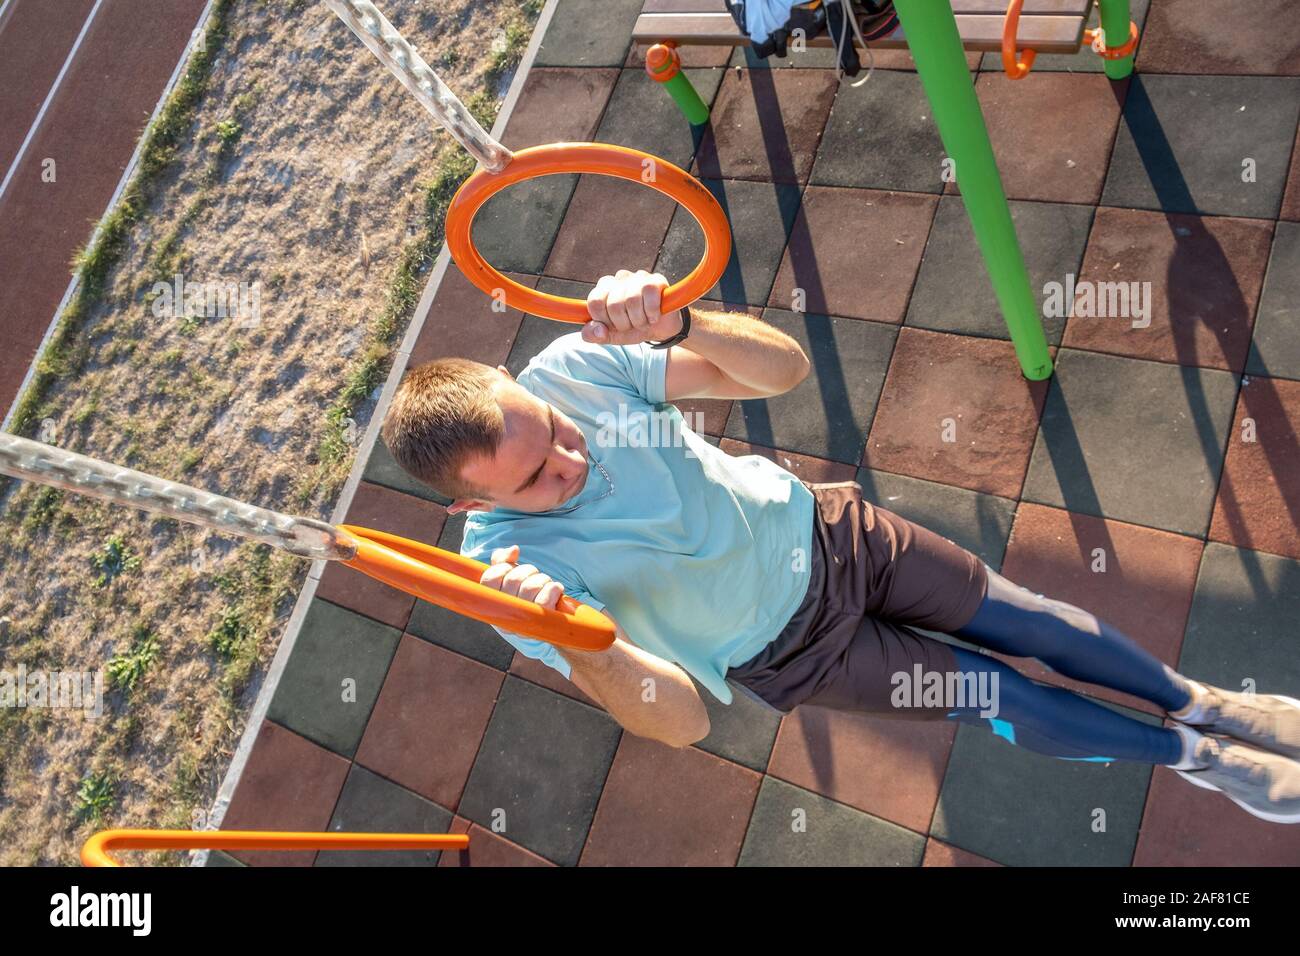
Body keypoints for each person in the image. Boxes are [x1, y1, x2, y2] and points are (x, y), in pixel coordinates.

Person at [381, 269, 1300, 824]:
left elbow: (783, 369)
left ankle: (1203, 703)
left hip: (832, 534)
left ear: (515, 379)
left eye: (555, 434)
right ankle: (1199, 760)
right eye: (537, 479)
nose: (569, 461)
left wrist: (682, 322)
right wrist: (586, 641)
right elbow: (681, 723)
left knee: (1041, 620)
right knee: (996, 693)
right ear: (472, 506)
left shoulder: (574, 368)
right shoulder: (513, 579)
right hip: (795, 651)